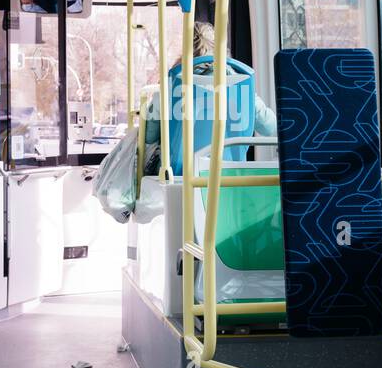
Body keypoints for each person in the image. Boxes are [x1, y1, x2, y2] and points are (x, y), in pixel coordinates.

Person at [94, 21, 276, 223]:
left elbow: (149, 136)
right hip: (229, 176)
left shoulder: (173, 86)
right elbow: (272, 128)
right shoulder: (242, 87)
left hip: (179, 178)